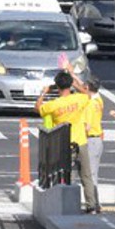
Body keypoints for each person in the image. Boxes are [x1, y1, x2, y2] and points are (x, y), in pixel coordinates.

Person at [36, 69, 98, 213]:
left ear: (57, 86)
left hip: (63, 143)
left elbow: (39, 108)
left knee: (64, 173)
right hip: (80, 141)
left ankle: (65, 204)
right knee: (86, 175)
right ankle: (91, 205)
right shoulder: (79, 99)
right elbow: (88, 95)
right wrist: (75, 84)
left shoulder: (55, 104)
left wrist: (44, 92)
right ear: (69, 85)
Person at [84, 79, 104, 212]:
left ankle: (93, 205)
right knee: (93, 173)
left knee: (89, 174)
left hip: (90, 140)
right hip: (98, 140)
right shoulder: (99, 100)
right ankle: (95, 203)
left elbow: (87, 126)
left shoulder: (90, 104)